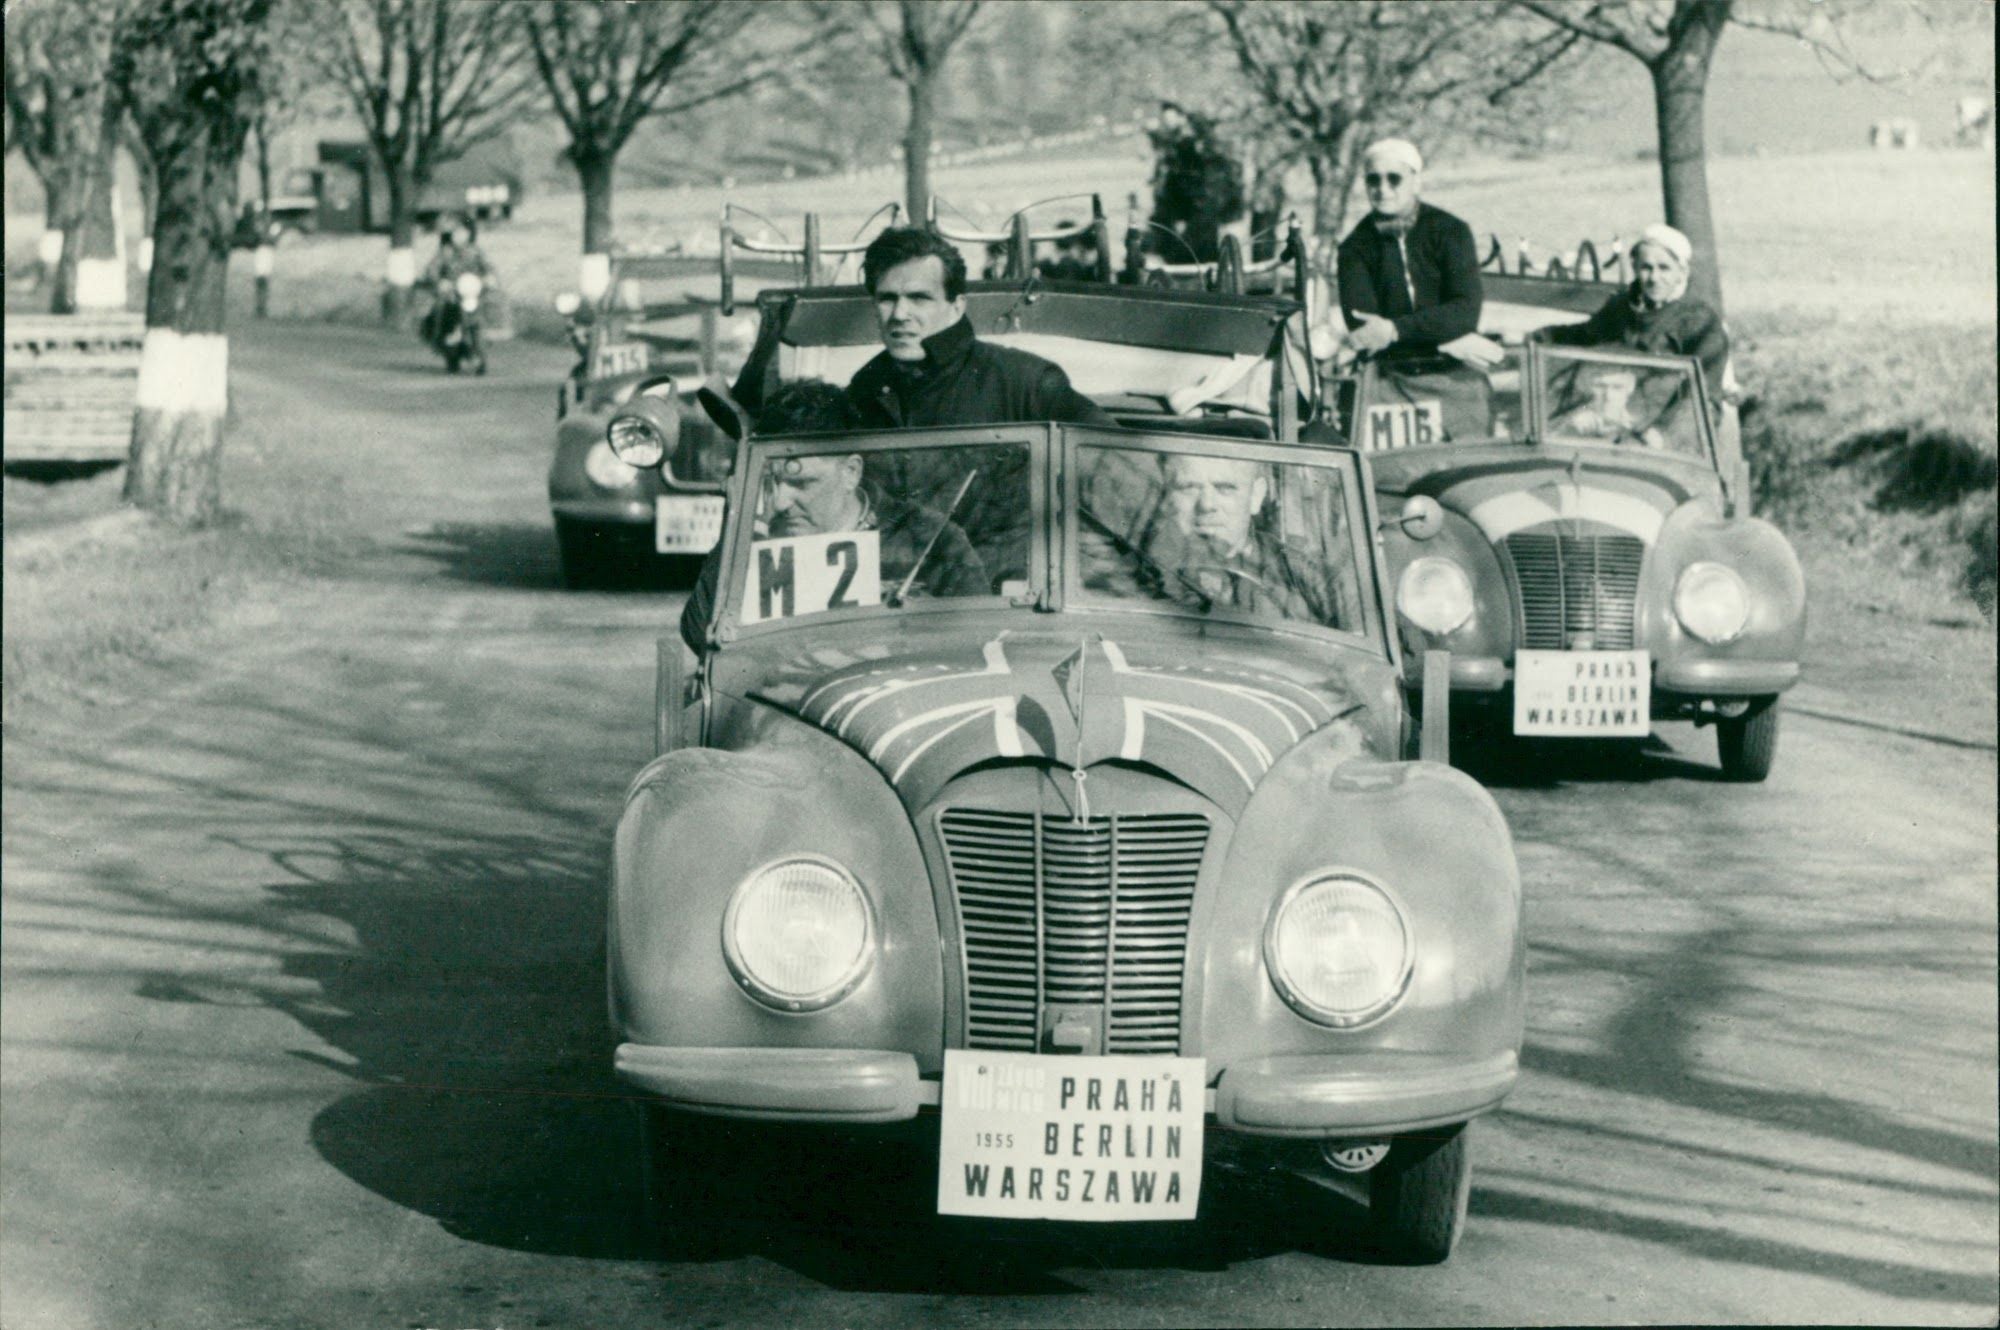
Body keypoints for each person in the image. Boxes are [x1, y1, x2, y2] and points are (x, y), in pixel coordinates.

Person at [679, 382, 989, 653]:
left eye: (802, 483)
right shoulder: (761, 524)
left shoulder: (928, 539)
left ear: (851, 472)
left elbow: (980, 639)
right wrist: (741, 521)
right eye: (771, 482)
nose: (782, 501)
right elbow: (700, 635)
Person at [845, 226, 1113, 429]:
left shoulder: (1027, 383)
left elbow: (1118, 462)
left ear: (957, 307)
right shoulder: (864, 387)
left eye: (919, 298)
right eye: (887, 299)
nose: (900, 314)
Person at [1141, 454, 1349, 625]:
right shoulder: (1140, 566)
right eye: (1188, 488)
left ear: (1256, 496)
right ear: (1167, 497)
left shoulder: (1304, 576)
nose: (1206, 505)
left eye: (1225, 488)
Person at [1533, 223, 1729, 390]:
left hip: (1659, 424)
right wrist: (1537, 337)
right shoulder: (1622, 306)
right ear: (1635, 268)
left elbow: (1704, 397)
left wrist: (1656, 435)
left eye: (1664, 268)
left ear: (1682, 272)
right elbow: (1585, 336)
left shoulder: (1700, 322)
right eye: (1646, 268)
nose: (1654, 278)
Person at [1335, 139, 1482, 360]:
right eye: (1373, 180)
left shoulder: (1451, 231)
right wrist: (1392, 333)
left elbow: (1465, 311)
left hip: (1453, 363)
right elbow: (1364, 326)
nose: (1383, 190)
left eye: (1394, 179)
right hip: (1388, 367)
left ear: (1415, 181)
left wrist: (1395, 330)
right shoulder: (1354, 247)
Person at [420, 215, 492, 345]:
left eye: (463, 232)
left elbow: (487, 266)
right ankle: (443, 335)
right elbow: (432, 269)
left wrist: (489, 277)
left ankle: (488, 331)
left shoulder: (475, 251)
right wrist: (440, 281)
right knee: (441, 306)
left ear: (469, 233)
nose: (459, 236)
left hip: (472, 290)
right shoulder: (445, 252)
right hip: (452, 291)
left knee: (490, 301)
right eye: (456, 233)